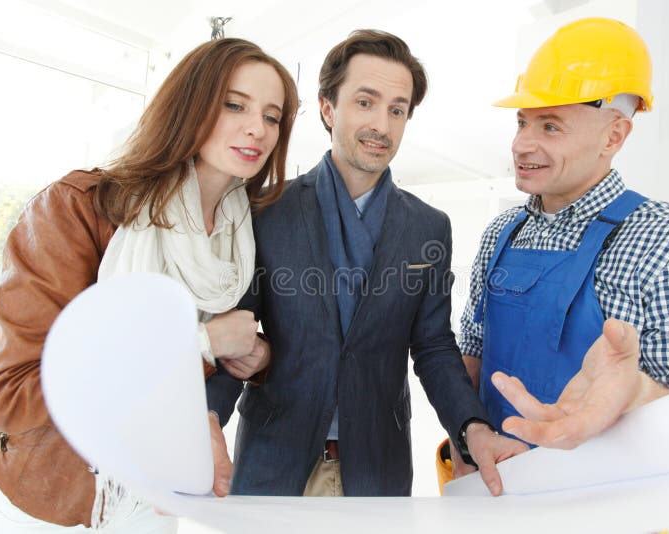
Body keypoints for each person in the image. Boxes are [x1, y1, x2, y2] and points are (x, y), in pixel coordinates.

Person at [0, 38, 298, 531]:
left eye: (272, 117)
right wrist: (200, 344)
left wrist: (255, 358)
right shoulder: (80, 207)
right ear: (190, 104)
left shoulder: (241, 232)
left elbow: (229, 351)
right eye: (234, 104)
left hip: (157, 493)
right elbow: (7, 394)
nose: (257, 128)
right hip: (58, 501)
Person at [206, 29, 527, 498]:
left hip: (378, 467)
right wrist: (209, 418)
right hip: (274, 460)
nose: (383, 124)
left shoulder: (428, 227)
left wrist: (471, 427)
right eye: (365, 102)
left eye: (397, 109)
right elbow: (237, 333)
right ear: (327, 108)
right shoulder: (264, 210)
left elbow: (434, 346)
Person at [448, 17, 669, 477]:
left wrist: (634, 392)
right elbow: (472, 352)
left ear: (613, 136)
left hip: (611, 507)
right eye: (522, 121)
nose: (522, 144)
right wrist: (466, 435)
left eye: (550, 126)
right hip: (493, 496)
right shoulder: (501, 233)